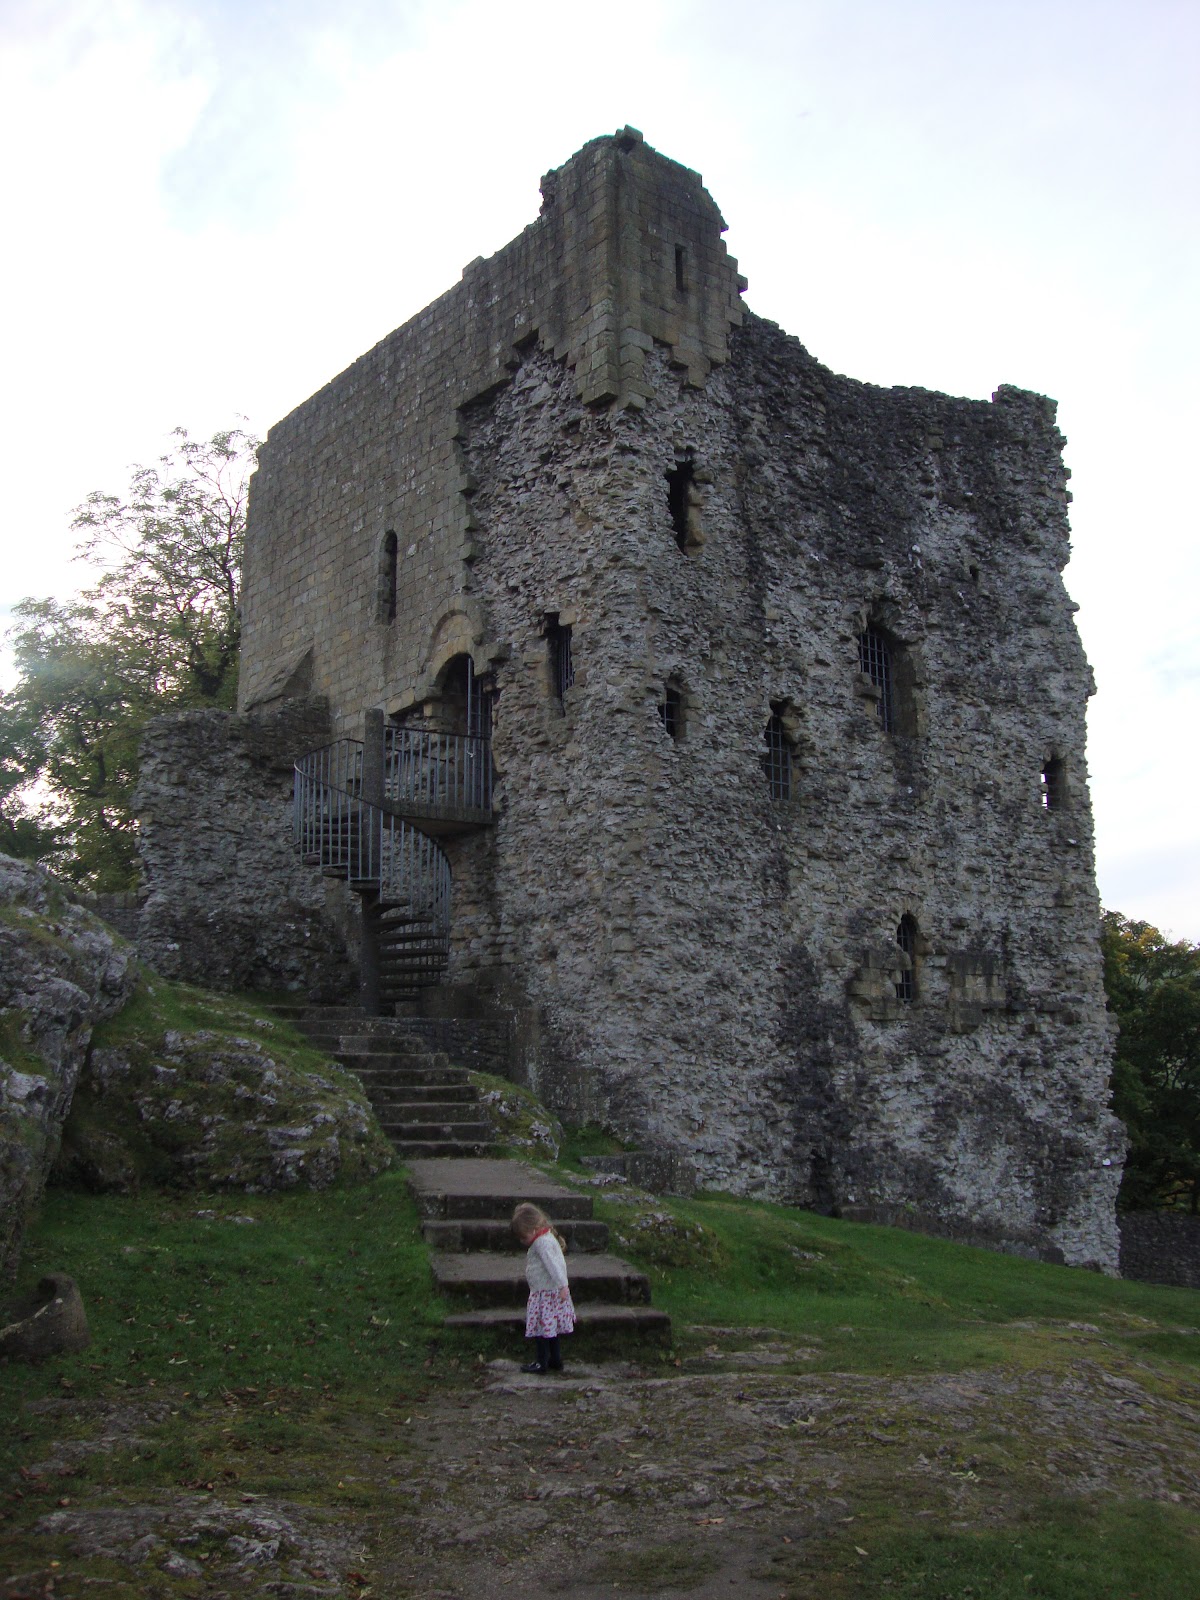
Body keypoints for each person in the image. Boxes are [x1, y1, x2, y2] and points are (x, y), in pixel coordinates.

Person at [512, 1202, 575, 1374]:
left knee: (541, 1330)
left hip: (545, 1294)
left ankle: (541, 1362)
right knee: (551, 1329)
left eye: (524, 1237)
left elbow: (554, 1265)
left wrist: (562, 1285)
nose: (522, 1241)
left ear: (533, 1230)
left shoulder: (542, 1244)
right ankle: (555, 1359)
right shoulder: (547, 1238)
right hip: (550, 1292)